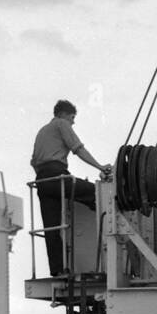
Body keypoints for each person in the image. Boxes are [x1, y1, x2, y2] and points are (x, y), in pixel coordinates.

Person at [31, 99, 112, 276]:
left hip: (42, 182)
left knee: (51, 228)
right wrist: (100, 167)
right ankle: (106, 222)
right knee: (96, 193)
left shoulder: (42, 131)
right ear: (63, 115)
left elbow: (34, 161)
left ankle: (58, 270)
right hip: (56, 175)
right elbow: (78, 149)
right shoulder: (61, 124)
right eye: (72, 117)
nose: (73, 122)